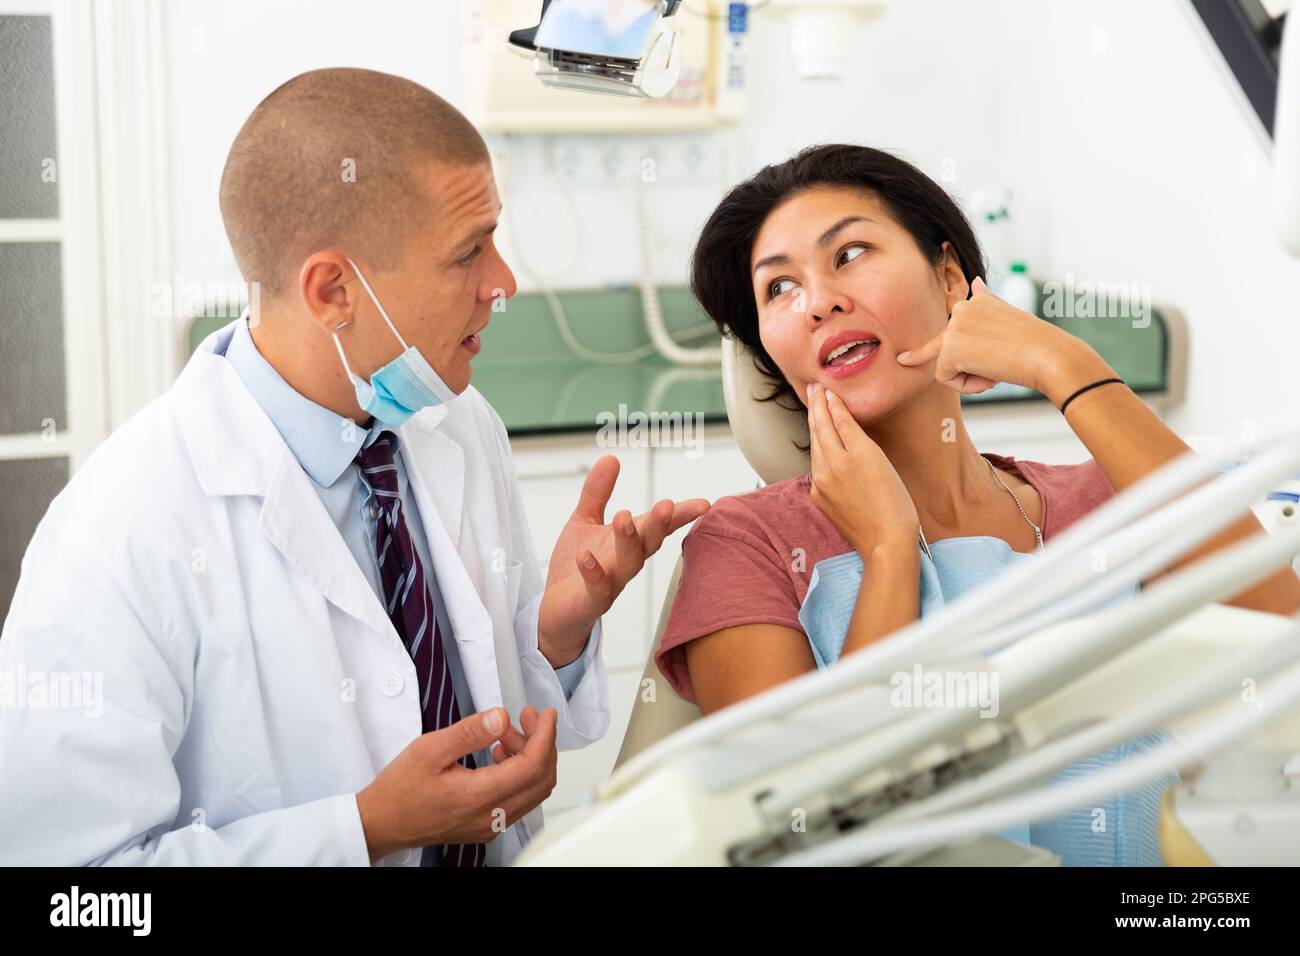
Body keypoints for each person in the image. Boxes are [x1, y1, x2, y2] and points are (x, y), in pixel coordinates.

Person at [0, 67, 708, 867]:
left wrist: (557, 632)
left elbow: (472, 700)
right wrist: (364, 829)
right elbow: (77, 892)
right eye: (468, 254)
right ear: (333, 289)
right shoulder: (117, 532)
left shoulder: (456, 422)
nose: (504, 284)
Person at [655, 143, 1300, 864]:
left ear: (951, 276)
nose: (818, 302)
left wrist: (1067, 366)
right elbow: (804, 826)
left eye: (851, 253)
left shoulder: (1105, 496)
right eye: (778, 289)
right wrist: (889, 552)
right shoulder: (748, 545)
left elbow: (1273, 643)